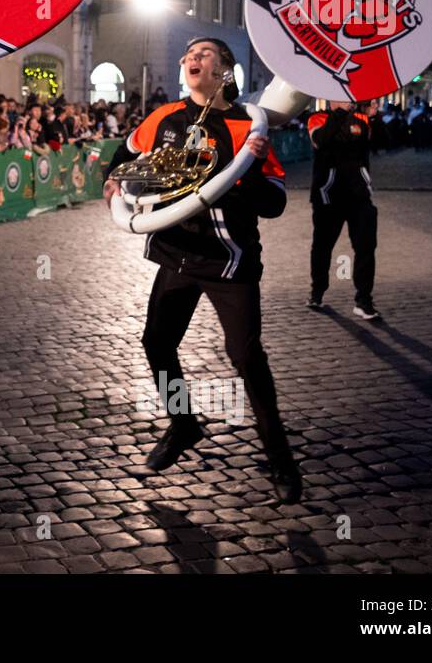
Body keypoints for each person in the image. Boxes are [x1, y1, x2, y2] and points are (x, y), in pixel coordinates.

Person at [103, 37, 300, 504]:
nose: (193, 58)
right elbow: (123, 156)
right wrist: (112, 182)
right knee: (156, 342)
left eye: (205, 54)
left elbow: (275, 202)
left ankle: (281, 461)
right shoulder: (164, 118)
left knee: (247, 356)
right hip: (177, 252)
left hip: (228, 259)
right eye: (189, 54)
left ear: (226, 71)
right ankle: (184, 423)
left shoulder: (247, 125)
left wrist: (244, 170)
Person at [305, 100, 379, 319]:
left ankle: (364, 300)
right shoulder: (317, 118)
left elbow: (384, 142)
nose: (349, 99)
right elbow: (321, 140)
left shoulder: (362, 119)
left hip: (359, 195)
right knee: (322, 246)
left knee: (366, 247)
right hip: (328, 195)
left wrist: (374, 117)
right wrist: (338, 115)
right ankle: (317, 291)